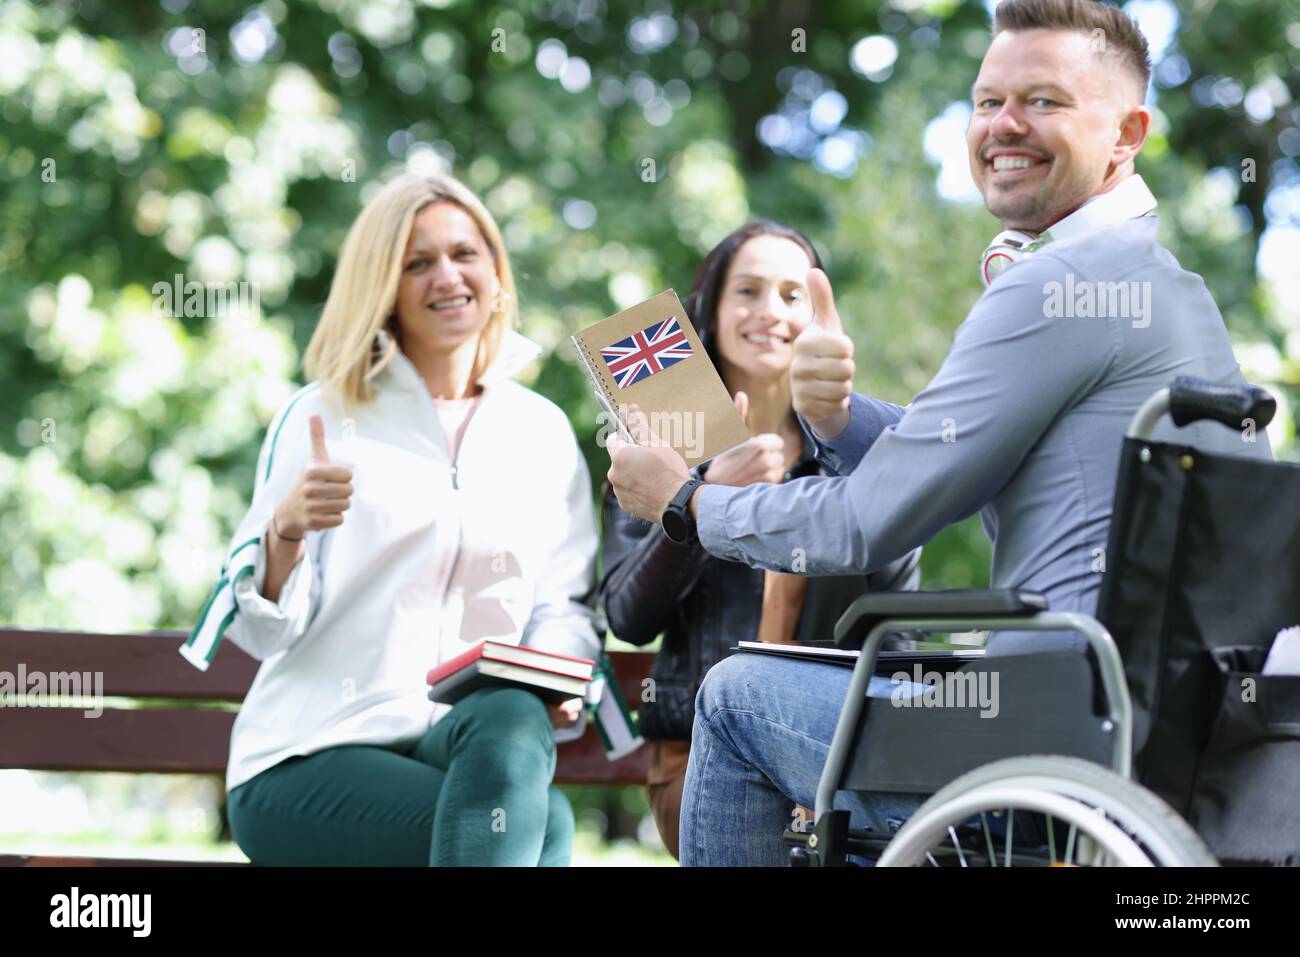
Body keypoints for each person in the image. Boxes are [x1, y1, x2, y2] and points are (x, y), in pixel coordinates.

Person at [605, 0, 1273, 866]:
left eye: (1044, 102)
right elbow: (953, 452)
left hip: (1046, 730)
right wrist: (841, 416)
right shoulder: (1164, 287)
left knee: (736, 696)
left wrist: (690, 502)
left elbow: (860, 524)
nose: (1004, 126)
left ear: (1127, 133)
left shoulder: (1055, 284)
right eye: (988, 100)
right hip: (1154, 731)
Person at [185, 173, 601, 866]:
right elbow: (262, 630)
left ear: (496, 273)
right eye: (417, 262)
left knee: (512, 713)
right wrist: (285, 531)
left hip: (458, 749)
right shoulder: (320, 417)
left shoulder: (543, 431)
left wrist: (558, 670)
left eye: (466, 254)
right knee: (543, 828)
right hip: (308, 752)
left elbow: (565, 601)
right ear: (383, 286)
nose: (447, 276)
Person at [599, 221, 920, 859]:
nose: (770, 312)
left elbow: (898, 626)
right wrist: (695, 501)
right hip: (695, 755)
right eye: (747, 292)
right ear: (711, 315)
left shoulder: (858, 448)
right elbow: (627, 618)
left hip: (833, 749)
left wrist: (824, 762)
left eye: (791, 295)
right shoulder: (658, 443)